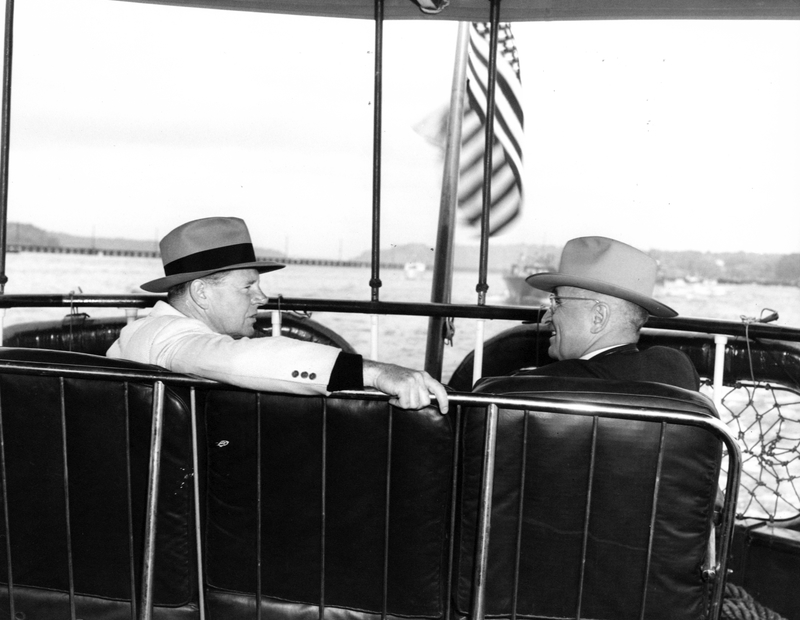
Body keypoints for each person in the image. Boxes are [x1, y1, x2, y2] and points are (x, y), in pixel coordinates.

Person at [107, 216, 448, 413]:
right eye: (247, 287)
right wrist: (375, 372)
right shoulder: (165, 336)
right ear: (201, 292)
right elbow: (237, 361)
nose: (263, 296)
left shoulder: (147, 332)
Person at [508, 236, 700, 390]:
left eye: (557, 302)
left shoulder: (533, 387)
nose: (546, 317)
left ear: (598, 317)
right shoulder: (679, 370)